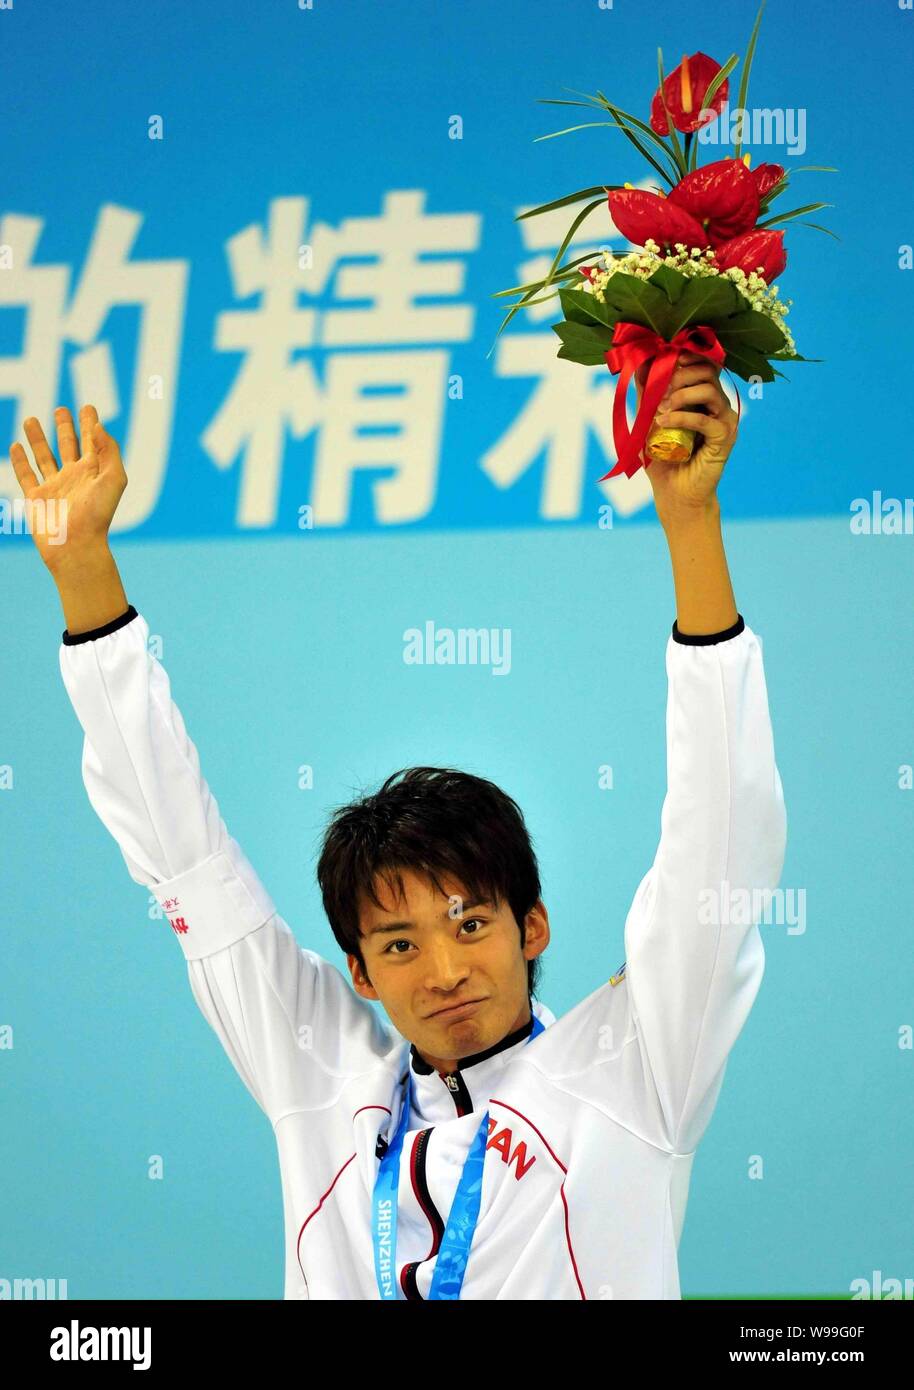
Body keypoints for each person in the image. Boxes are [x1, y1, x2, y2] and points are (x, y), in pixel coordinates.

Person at [10, 355, 786, 1299]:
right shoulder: (321, 1078)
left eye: (470, 924)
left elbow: (722, 843)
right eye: (401, 945)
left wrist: (692, 525)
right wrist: (85, 571)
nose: (447, 971)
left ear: (530, 925)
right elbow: (184, 859)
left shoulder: (631, 1072)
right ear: (362, 975)